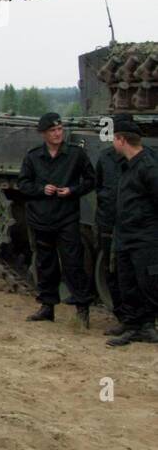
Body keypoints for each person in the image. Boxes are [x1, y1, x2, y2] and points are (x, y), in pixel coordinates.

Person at [17, 112, 96, 327]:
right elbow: (23, 184)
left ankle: (82, 308)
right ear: (44, 134)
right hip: (41, 218)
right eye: (53, 130)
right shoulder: (33, 157)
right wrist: (41, 189)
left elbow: (91, 180)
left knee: (73, 263)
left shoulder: (75, 155)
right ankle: (47, 306)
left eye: (60, 129)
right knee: (45, 264)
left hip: (66, 216)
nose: (58, 133)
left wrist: (73, 190)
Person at [104, 114, 158, 346]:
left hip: (144, 235)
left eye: (114, 138)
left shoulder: (148, 167)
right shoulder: (128, 166)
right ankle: (133, 324)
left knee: (146, 282)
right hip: (126, 234)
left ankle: (146, 326)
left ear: (121, 139)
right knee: (127, 281)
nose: (112, 143)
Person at [93, 135, 132, 337]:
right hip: (109, 221)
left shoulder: (142, 158)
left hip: (134, 224)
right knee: (112, 271)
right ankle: (123, 318)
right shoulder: (105, 157)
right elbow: (98, 185)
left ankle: (139, 321)